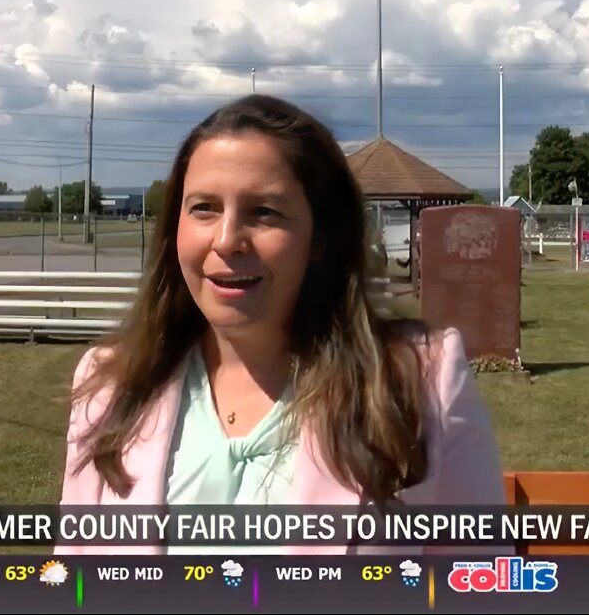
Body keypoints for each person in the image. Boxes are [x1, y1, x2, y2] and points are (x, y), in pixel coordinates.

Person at [56, 94, 505, 555]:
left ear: (320, 238)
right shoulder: (108, 384)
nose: (227, 240)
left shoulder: (420, 377)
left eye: (264, 212)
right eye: (204, 208)